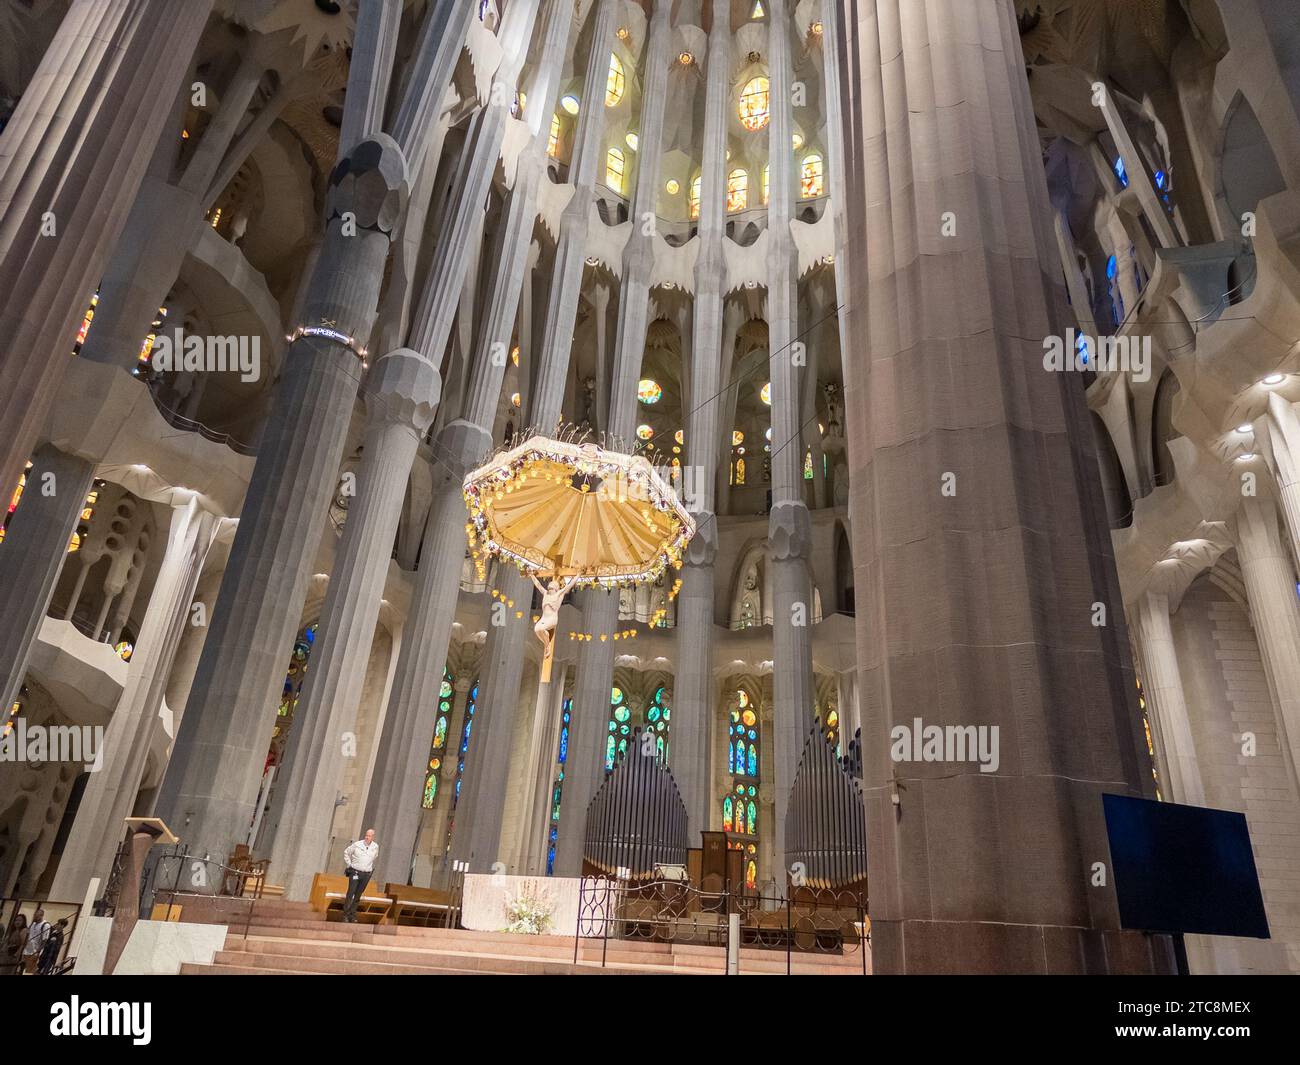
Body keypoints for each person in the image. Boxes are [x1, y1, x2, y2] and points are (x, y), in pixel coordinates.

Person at [341, 829, 379, 923]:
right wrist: (349, 864)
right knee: (351, 893)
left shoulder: (375, 846)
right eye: (366, 835)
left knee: (358, 895)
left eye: (369, 836)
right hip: (355, 872)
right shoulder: (357, 844)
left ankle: (352, 915)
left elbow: (374, 857)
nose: (367, 837)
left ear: (373, 837)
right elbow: (346, 852)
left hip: (366, 874)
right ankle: (345, 915)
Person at [21, 908, 50, 975]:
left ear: (41, 915)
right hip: (27, 950)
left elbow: (44, 940)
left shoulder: (45, 925)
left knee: (30, 971)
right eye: (35, 915)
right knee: (24, 970)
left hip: (34, 951)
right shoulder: (33, 924)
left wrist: (37, 952)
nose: (35, 917)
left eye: (37, 916)